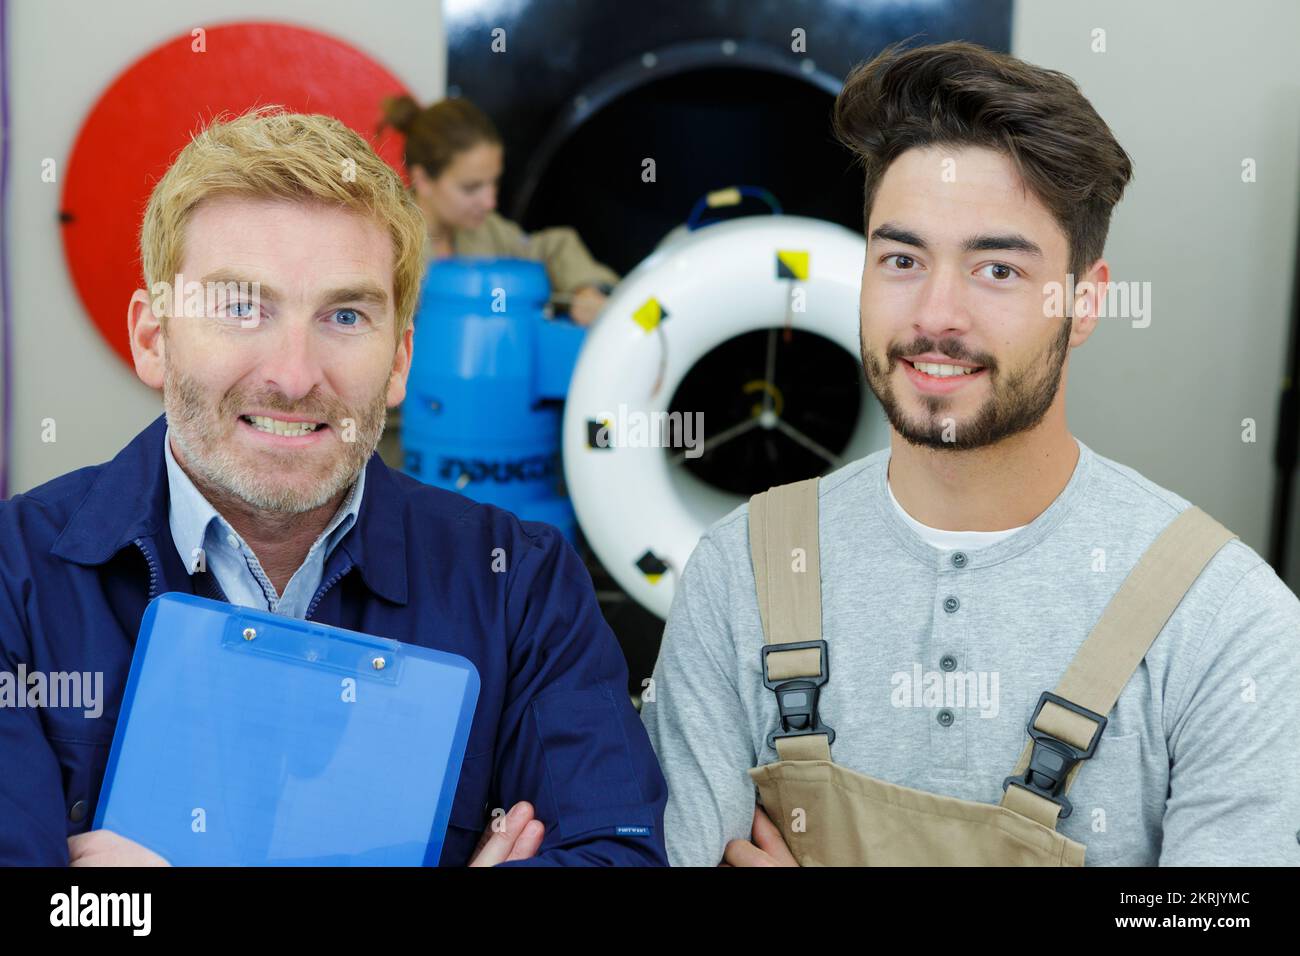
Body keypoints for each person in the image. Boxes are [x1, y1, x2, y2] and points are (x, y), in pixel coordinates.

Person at [640, 40, 1300, 867]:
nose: (935, 315)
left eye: (996, 268)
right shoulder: (740, 572)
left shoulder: (1228, 624)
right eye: (903, 260)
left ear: (1085, 302)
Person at [0, 107, 667, 867]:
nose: (293, 374)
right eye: (239, 307)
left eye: (345, 315)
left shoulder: (521, 584)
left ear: (399, 362)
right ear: (154, 339)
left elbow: (619, 856)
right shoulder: (14, 577)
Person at [375, 94, 619, 469]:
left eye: (494, 184)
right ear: (423, 178)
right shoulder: (384, 244)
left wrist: (588, 288)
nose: (489, 201)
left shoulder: (486, 233)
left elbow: (552, 247)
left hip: (494, 433)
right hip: (400, 440)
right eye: (472, 188)